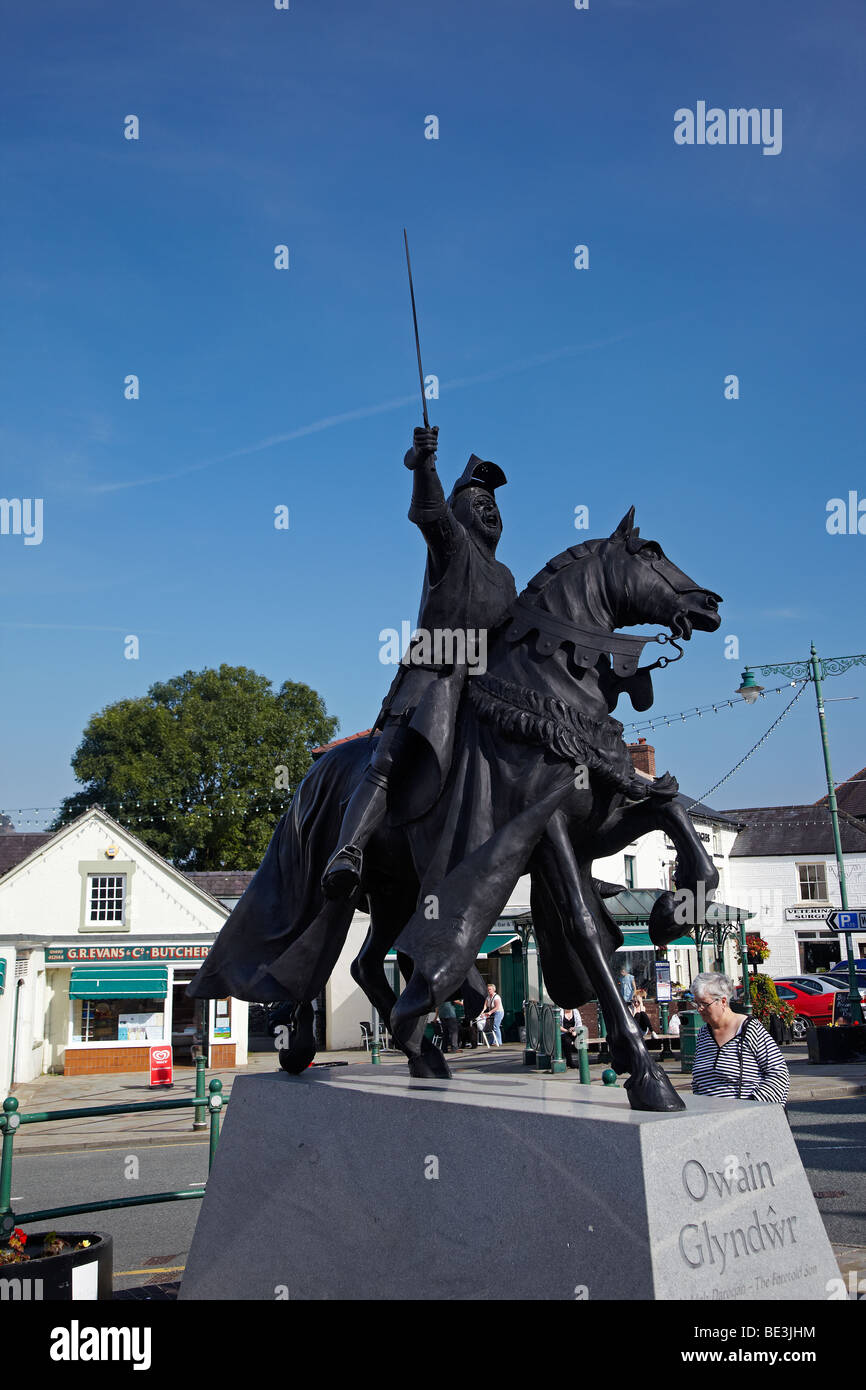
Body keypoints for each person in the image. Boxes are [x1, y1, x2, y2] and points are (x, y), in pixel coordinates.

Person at [321, 426, 516, 900]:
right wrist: (423, 465)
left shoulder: (507, 578)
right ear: (460, 512)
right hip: (432, 675)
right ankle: (348, 851)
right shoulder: (452, 546)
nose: (489, 507)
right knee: (388, 761)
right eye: (478, 501)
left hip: (484, 687)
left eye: (494, 502)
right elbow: (428, 513)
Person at [690, 972, 789, 1105]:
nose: (700, 1009)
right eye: (696, 1004)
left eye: (704, 1004)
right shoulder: (703, 1034)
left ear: (723, 1001)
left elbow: (779, 1074)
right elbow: (697, 1082)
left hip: (747, 1117)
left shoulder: (748, 1028)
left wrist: (752, 1106)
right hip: (709, 1119)